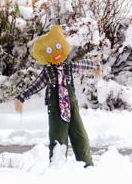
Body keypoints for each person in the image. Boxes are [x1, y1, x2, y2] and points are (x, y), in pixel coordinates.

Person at [14, 24, 99, 166]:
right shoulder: (48, 72)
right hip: (55, 109)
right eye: (49, 50)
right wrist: (21, 97)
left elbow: (82, 64)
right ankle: (57, 166)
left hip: (72, 106)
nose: (56, 52)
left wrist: (95, 66)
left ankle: (87, 165)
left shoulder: (68, 66)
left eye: (58, 47)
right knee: (58, 137)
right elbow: (36, 85)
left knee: (80, 135)